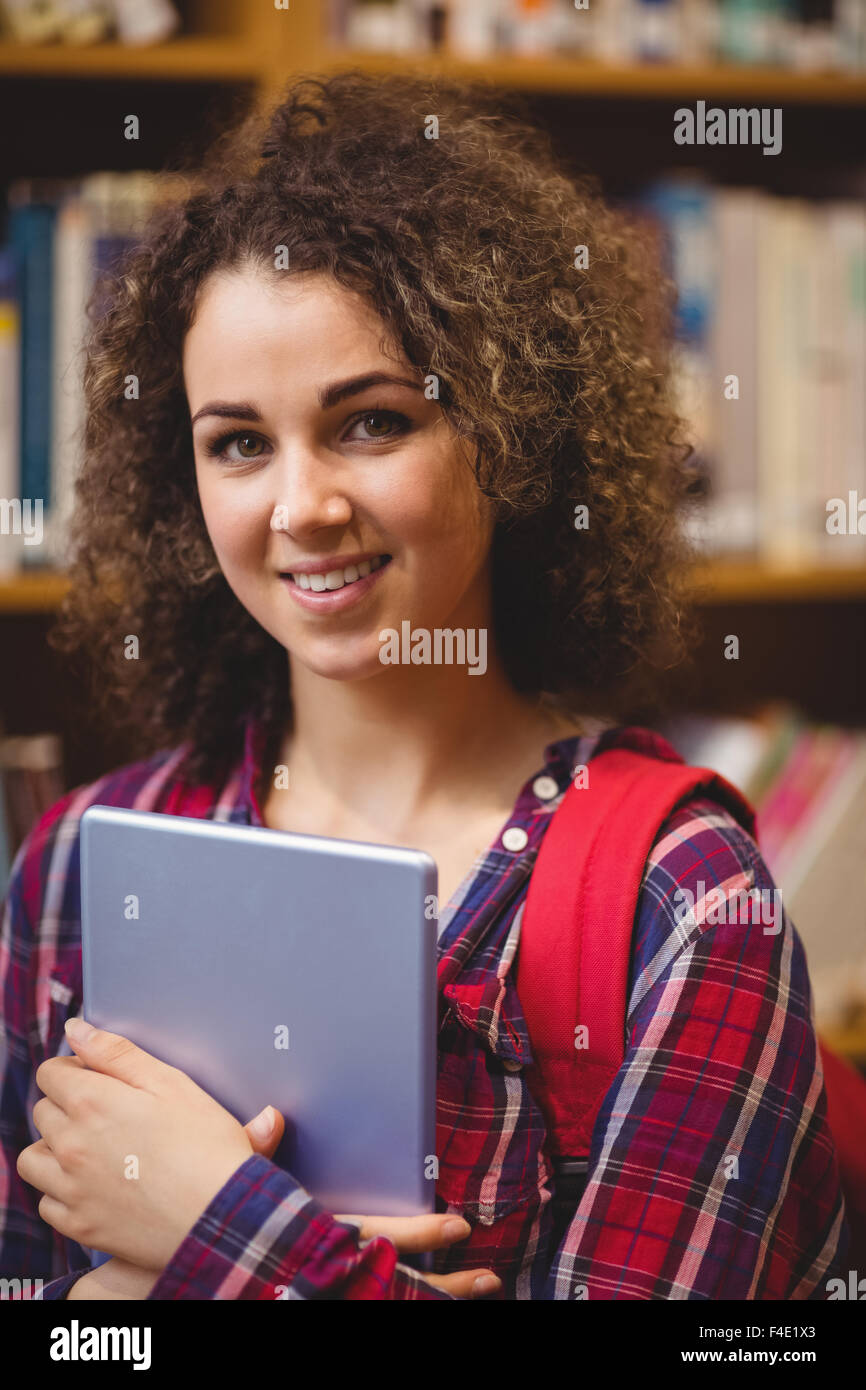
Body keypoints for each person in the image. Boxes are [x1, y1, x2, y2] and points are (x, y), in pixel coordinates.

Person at [0, 71, 848, 1300]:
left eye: (370, 423)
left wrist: (208, 1229)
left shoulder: (688, 905)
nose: (300, 507)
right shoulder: (76, 869)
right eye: (239, 442)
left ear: (510, 433)